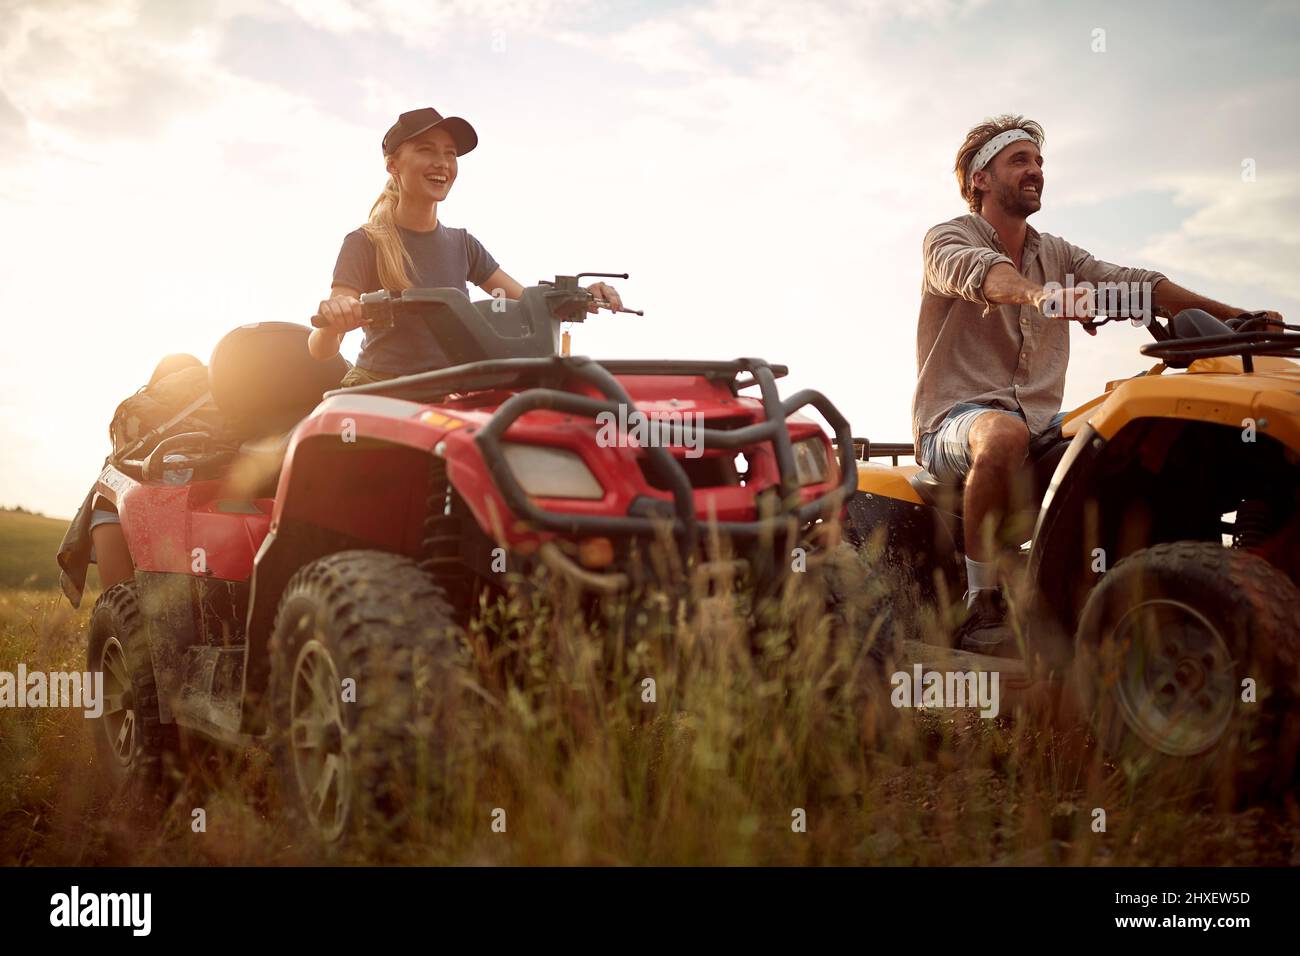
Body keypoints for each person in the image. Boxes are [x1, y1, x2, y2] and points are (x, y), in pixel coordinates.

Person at [914, 114, 1284, 653]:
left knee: (1141, 410)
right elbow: (979, 272)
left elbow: (1138, 287)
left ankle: (1158, 590)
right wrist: (1040, 295)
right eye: (1019, 161)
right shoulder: (946, 238)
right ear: (980, 179)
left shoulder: (1059, 256)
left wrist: (1239, 316)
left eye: (1039, 162)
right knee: (1003, 435)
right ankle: (980, 607)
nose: (1035, 171)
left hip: (1041, 424)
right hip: (954, 423)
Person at [308, 106, 623, 384]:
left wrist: (580, 295)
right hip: (381, 387)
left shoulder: (463, 245)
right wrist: (333, 324)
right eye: (426, 150)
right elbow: (320, 349)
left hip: (452, 388)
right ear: (393, 166)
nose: (442, 163)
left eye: (450, 153)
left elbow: (528, 302)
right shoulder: (364, 243)